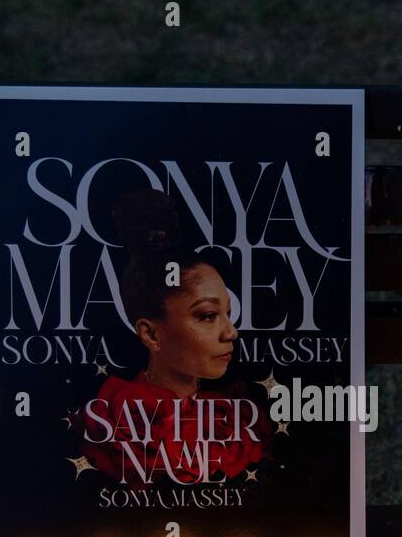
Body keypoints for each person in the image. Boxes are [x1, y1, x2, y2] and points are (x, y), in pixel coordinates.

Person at [74, 188, 270, 490]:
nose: (231, 332)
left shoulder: (234, 418)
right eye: (207, 315)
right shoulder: (114, 423)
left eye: (228, 314)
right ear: (150, 334)